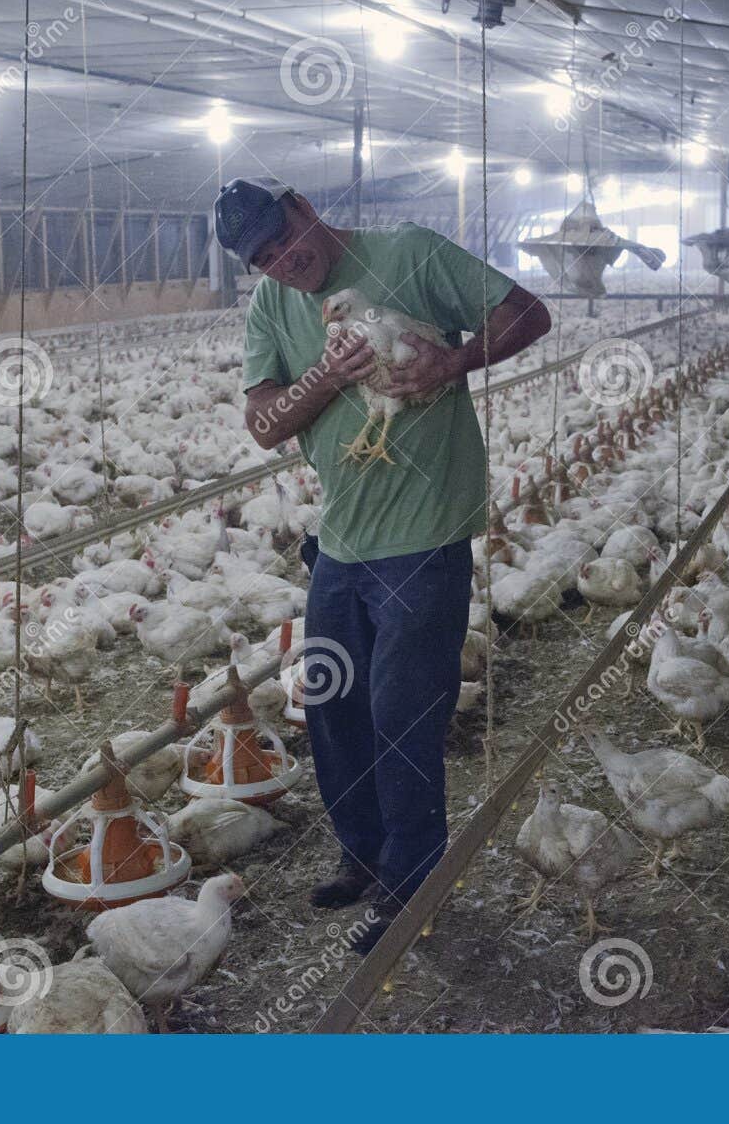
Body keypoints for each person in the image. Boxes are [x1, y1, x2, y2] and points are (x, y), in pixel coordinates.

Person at [219, 176, 550, 952]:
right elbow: (264, 424)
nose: (284, 263)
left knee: (404, 716)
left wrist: (452, 362)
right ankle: (363, 853)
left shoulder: (410, 253)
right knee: (333, 707)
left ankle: (411, 884)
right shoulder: (273, 307)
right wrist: (327, 376)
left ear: (304, 208)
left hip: (423, 536)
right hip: (341, 540)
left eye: (284, 240)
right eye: (264, 259)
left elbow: (528, 312)